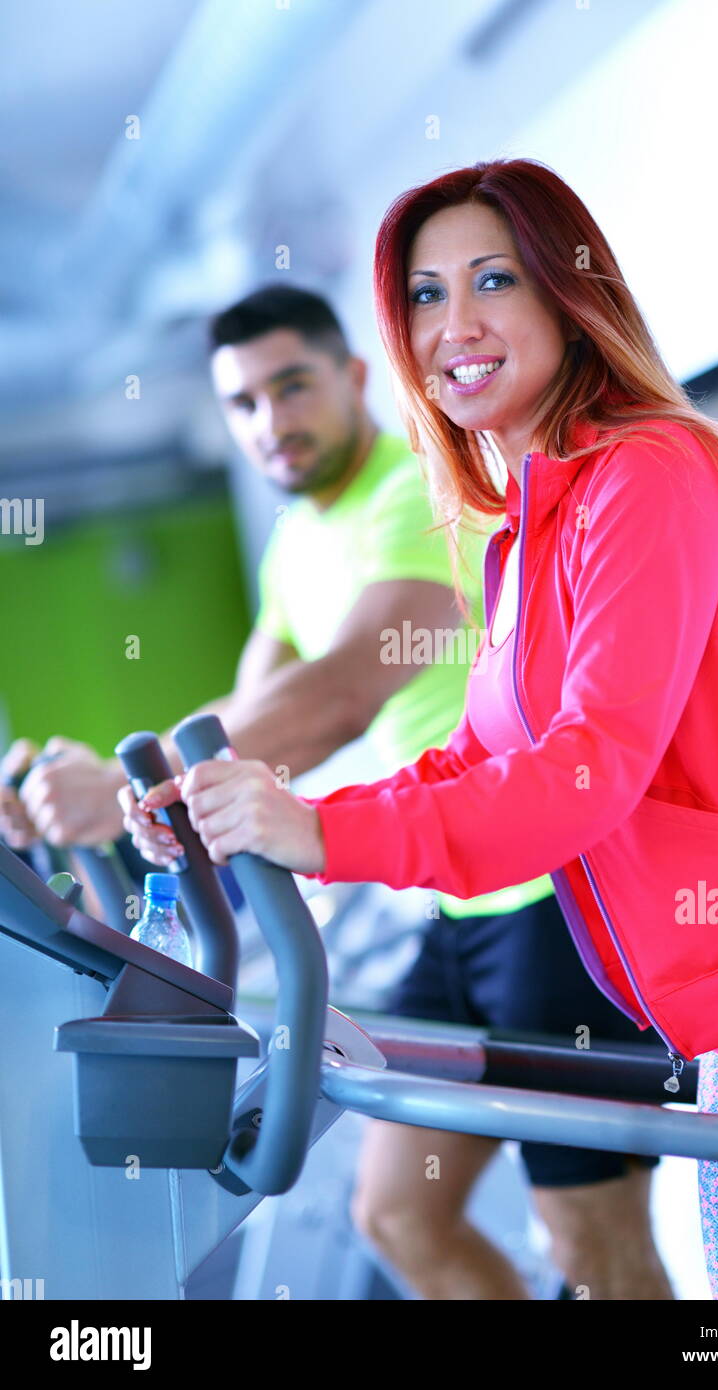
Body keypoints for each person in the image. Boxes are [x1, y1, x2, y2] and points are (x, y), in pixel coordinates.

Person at [122, 157, 718, 1303]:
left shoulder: (650, 474)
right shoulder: (525, 531)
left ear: (570, 297)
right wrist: (250, 811)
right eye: (424, 294)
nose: (453, 325)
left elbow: (586, 768)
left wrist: (317, 832)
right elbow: (477, 761)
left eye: (491, 281)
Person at [1, 283, 671, 1301]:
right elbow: (239, 717)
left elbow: (348, 690)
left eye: (293, 386)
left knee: (592, 1240)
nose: (273, 420)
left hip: (553, 905)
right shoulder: (295, 542)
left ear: (354, 378)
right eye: (245, 404)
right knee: (397, 1212)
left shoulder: (413, 488)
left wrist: (138, 791)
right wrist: (101, 779)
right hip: (454, 907)